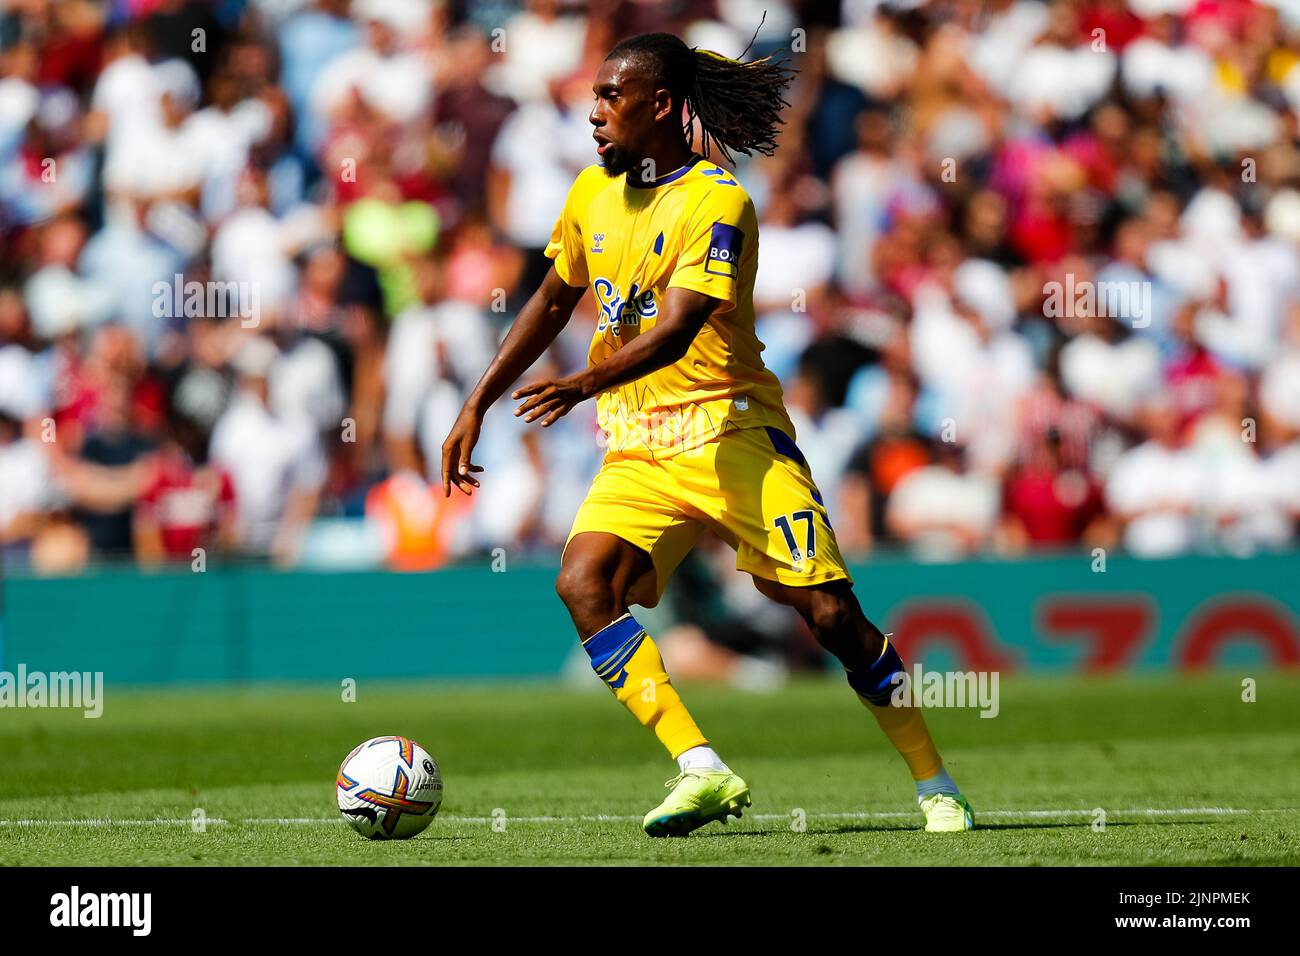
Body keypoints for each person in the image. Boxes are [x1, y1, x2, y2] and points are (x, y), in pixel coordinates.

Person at [441, 32, 973, 837]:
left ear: (660, 106)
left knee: (831, 616)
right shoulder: (590, 193)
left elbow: (684, 328)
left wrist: (584, 383)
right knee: (585, 584)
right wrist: (479, 398)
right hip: (641, 444)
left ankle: (936, 782)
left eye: (610, 98)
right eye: (593, 97)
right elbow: (553, 299)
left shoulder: (720, 201)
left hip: (732, 432)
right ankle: (701, 768)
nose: (593, 114)